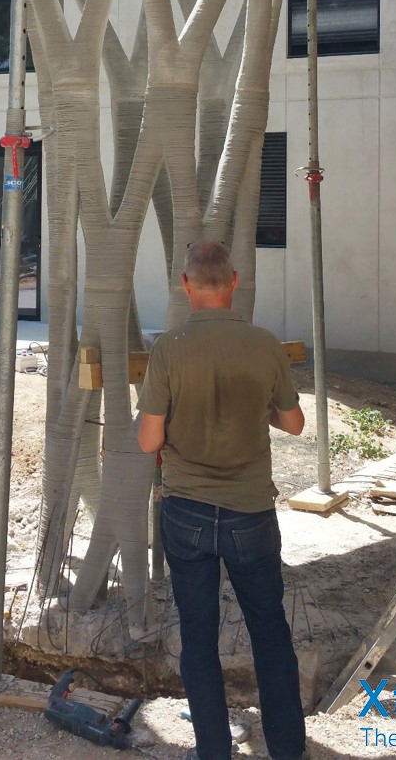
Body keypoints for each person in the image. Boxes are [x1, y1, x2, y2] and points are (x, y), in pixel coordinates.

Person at [137, 241, 307, 760]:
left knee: (199, 636)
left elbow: (148, 441)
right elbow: (295, 424)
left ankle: (213, 751)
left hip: (186, 512)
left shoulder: (169, 348)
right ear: (234, 282)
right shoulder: (264, 344)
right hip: (251, 513)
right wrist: (263, 411)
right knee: (270, 632)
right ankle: (287, 749)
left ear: (186, 287)